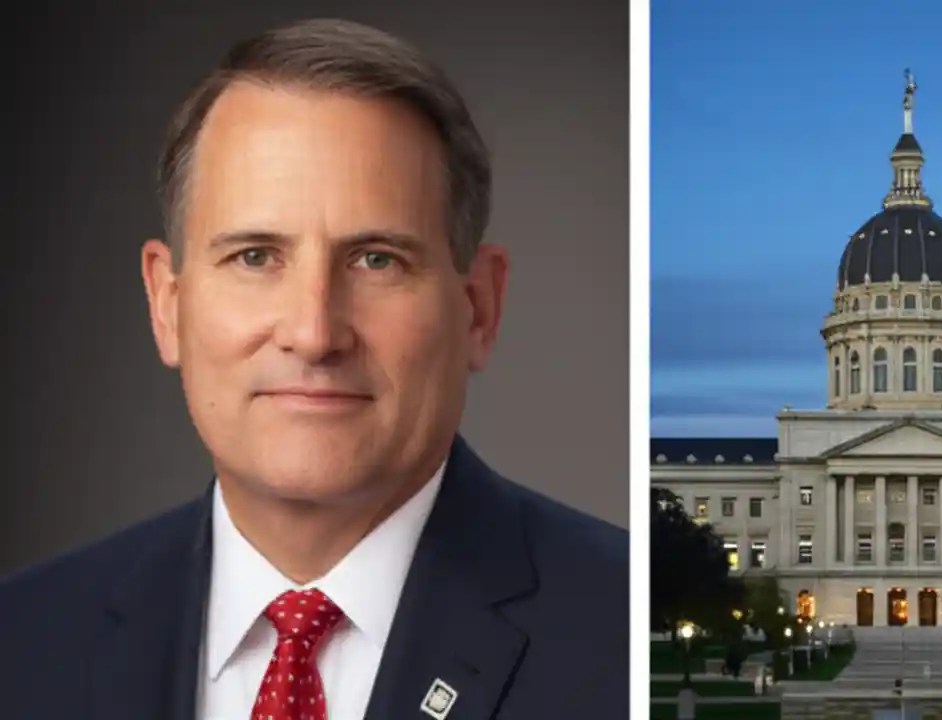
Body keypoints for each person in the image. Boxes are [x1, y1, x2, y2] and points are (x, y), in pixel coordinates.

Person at [0, 17, 627, 720]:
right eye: (255, 257)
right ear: (167, 305)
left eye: (376, 260)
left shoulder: (617, 633)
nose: (314, 332)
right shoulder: (21, 646)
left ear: (478, 308)